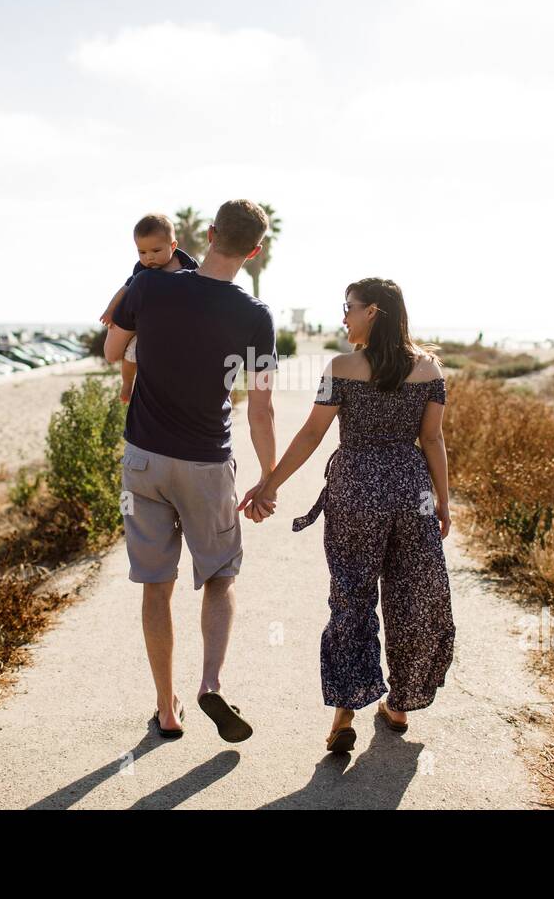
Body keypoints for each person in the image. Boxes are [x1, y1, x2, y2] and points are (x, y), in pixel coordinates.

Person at [240, 277, 456, 753]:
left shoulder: (342, 366)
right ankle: (399, 705)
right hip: (410, 490)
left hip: (355, 490)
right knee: (413, 598)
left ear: (373, 311)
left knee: (351, 597)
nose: (343, 317)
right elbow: (433, 440)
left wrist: (268, 483)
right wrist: (442, 500)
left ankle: (344, 713)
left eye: (349, 308)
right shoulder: (430, 370)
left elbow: (313, 434)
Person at [103, 198, 277, 743]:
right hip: (205, 462)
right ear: (254, 250)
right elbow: (263, 406)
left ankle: (166, 708)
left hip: (144, 459)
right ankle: (209, 684)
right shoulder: (255, 316)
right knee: (220, 574)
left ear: (207, 234)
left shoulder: (150, 286)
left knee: (156, 584)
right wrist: (268, 477)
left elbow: (113, 350)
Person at [99, 213, 200, 405]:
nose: (149, 257)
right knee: (131, 352)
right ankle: (127, 383)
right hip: (145, 324)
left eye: (155, 250)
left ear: (173, 246)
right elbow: (125, 288)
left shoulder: (189, 266)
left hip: (177, 324)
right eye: (142, 252)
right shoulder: (142, 270)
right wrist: (110, 310)